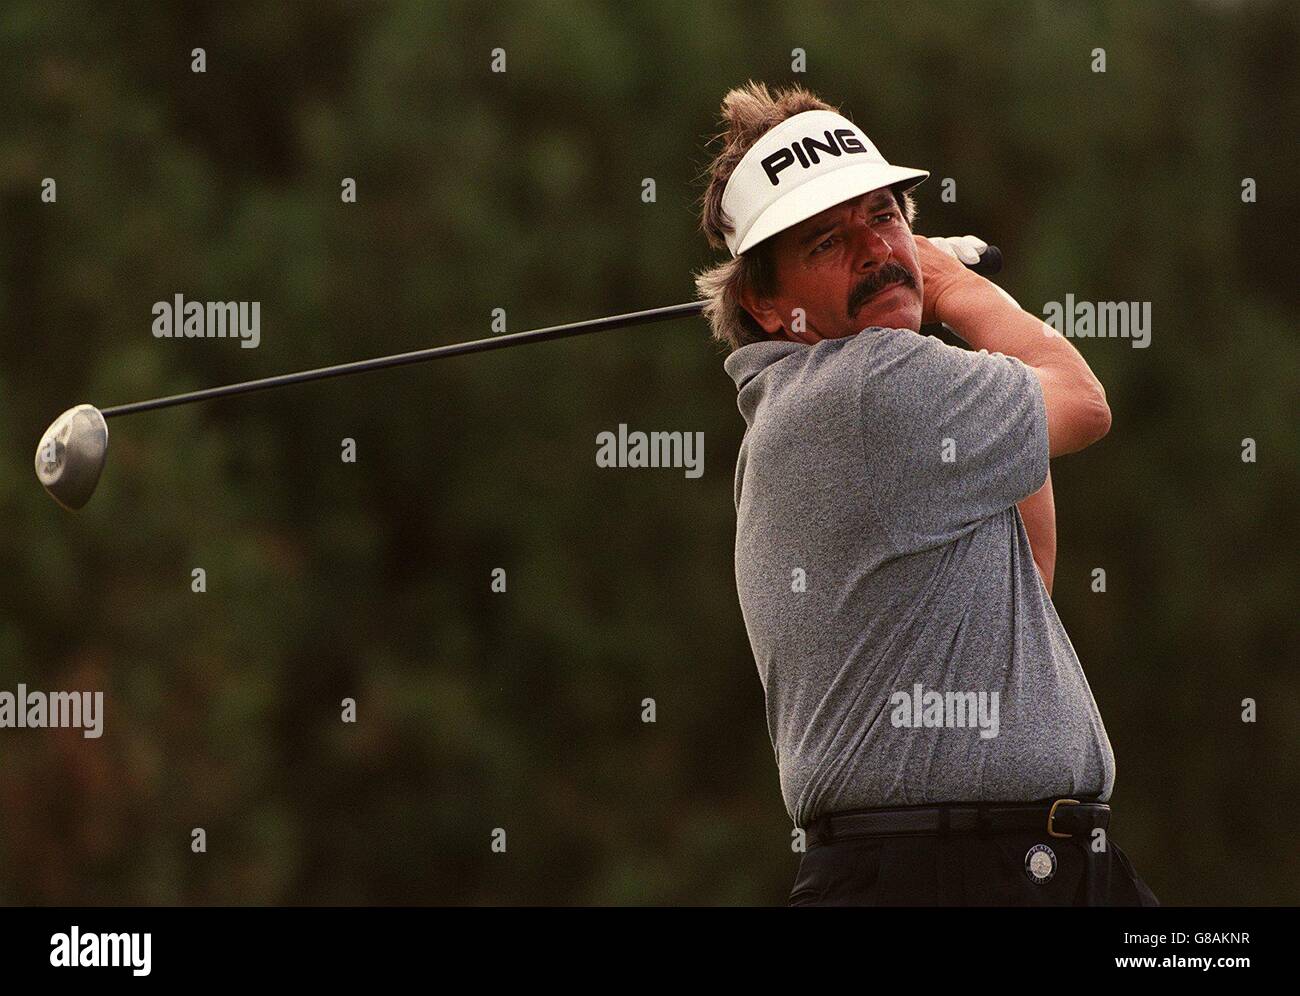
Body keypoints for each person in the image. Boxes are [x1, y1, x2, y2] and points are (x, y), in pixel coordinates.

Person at [694, 81, 1158, 906]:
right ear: (766, 304)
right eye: (828, 242)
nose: (874, 249)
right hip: (952, 872)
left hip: (1012, 864)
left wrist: (906, 300)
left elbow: (1032, 568)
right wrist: (946, 288)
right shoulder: (871, 388)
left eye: (883, 216)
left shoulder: (812, 405)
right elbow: (1083, 403)